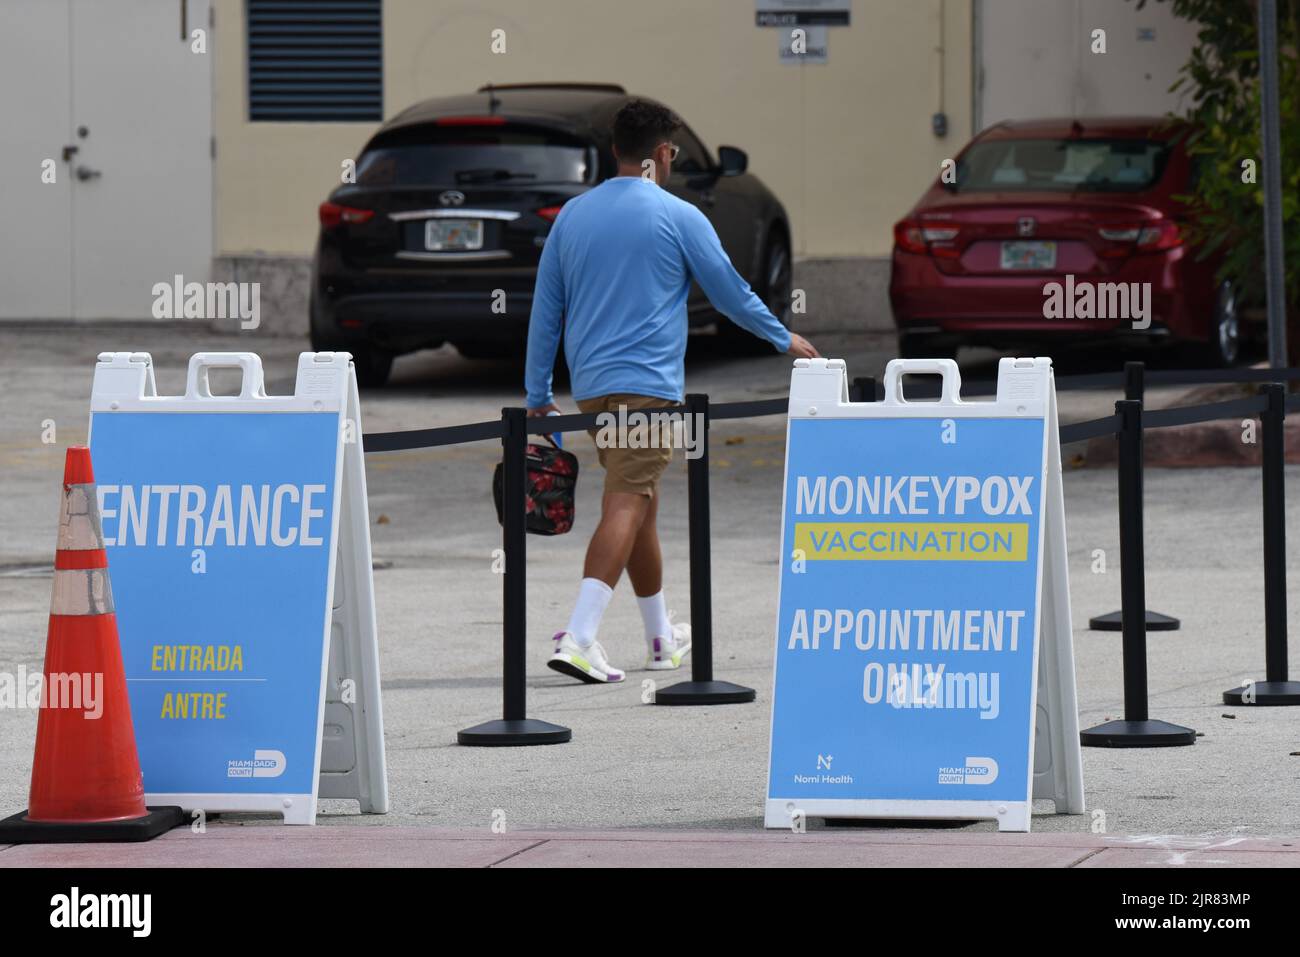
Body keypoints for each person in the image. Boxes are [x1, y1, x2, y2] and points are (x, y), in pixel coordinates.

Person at [524, 99, 820, 684]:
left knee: (643, 506)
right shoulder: (678, 215)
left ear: (615, 151)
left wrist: (538, 393)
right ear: (662, 155)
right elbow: (731, 292)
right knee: (628, 503)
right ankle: (580, 636)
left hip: (592, 391)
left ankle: (661, 638)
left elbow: (546, 311)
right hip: (652, 390)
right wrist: (781, 337)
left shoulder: (571, 217)